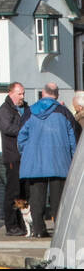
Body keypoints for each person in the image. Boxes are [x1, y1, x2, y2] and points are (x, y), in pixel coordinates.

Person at [17, 84, 79, 237]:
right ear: (57, 96)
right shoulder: (64, 112)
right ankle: (60, 232)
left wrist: (28, 153)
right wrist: (72, 158)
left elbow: (21, 138)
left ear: (42, 94)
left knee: (36, 198)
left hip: (34, 162)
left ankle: (38, 230)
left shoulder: (29, 112)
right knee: (59, 200)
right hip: (60, 161)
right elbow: (73, 140)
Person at [0, 82, 31, 236]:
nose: (22, 97)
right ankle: (11, 226)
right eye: (20, 93)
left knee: (24, 191)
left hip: (25, 156)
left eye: (23, 93)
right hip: (12, 156)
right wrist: (25, 130)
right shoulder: (4, 110)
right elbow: (7, 129)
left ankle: (23, 224)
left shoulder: (26, 109)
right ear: (11, 93)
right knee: (13, 191)